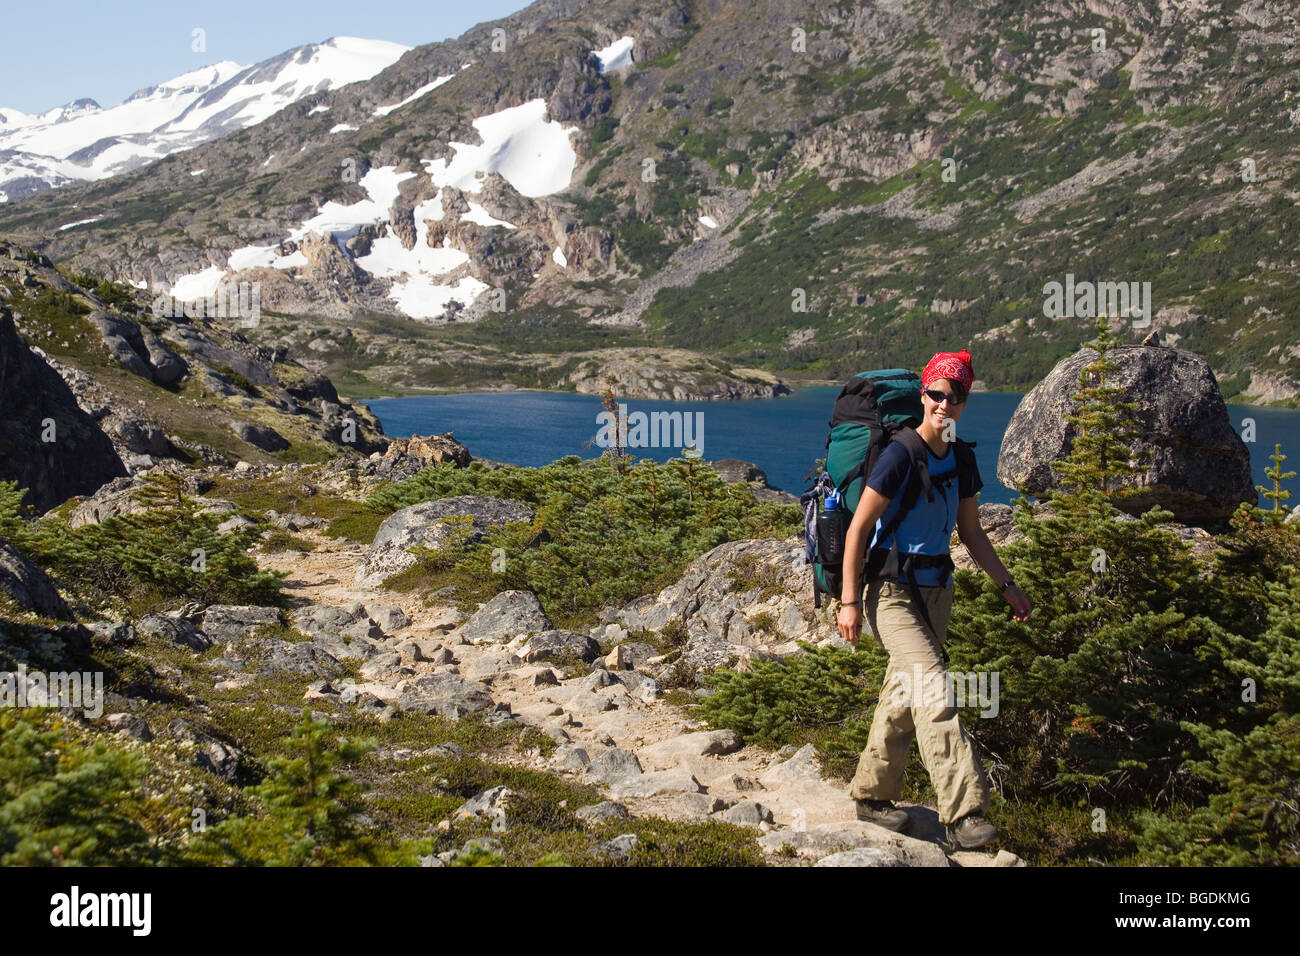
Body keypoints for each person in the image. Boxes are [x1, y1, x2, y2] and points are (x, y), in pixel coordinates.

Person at [837, 348, 1032, 850]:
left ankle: (872, 797)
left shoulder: (962, 457)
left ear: (965, 401)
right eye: (936, 394)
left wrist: (1007, 586)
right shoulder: (901, 453)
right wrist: (849, 602)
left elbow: (971, 532)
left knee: (904, 695)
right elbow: (859, 528)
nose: (944, 404)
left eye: (956, 396)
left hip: (937, 591)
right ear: (923, 395)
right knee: (934, 691)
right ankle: (963, 813)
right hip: (890, 592)